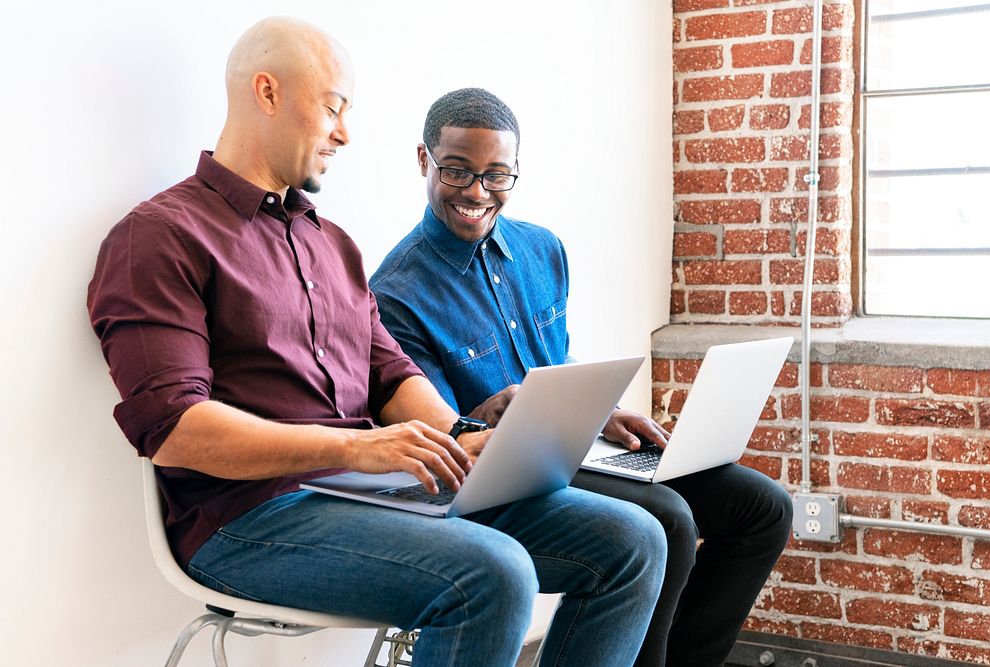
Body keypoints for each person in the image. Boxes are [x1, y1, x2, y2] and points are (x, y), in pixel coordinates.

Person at [87, 19, 667, 667]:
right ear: (268, 92)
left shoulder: (328, 242)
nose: (345, 132)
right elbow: (174, 428)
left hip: (378, 492)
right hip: (248, 519)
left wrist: (457, 439)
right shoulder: (159, 236)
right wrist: (358, 447)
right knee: (494, 573)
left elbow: (389, 375)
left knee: (634, 538)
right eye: (333, 106)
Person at [369, 87, 794, 667]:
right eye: (457, 171)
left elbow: (558, 364)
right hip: (500, 479)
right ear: (423, 161)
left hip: (583, 451)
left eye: (497, 175)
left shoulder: (544, 249)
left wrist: (603, 410)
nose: (477, 192)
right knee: (666, 517)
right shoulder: (395, 292)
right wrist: (489, 413)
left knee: (762, 506)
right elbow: (436, 438)